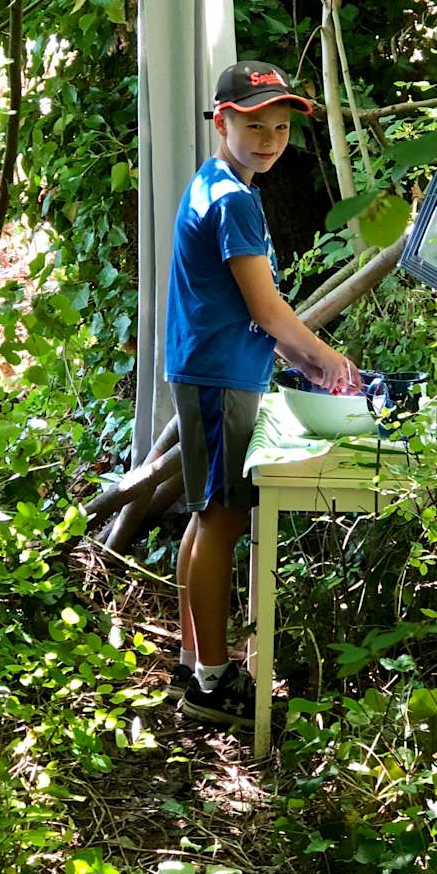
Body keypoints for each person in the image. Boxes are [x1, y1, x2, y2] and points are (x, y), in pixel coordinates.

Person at [164, 59, 361, 728]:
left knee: (206, 514)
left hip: (210, 366)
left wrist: (302, 362)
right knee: (224, 517)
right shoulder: (234, 200)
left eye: (280, 126)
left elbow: (248, 310)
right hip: (220, 376)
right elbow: (267, 307)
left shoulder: (217, 183)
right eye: (254, 123)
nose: (270, 136)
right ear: (222, 120)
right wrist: (325, 356)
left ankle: (198, 659)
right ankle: (212, 683)